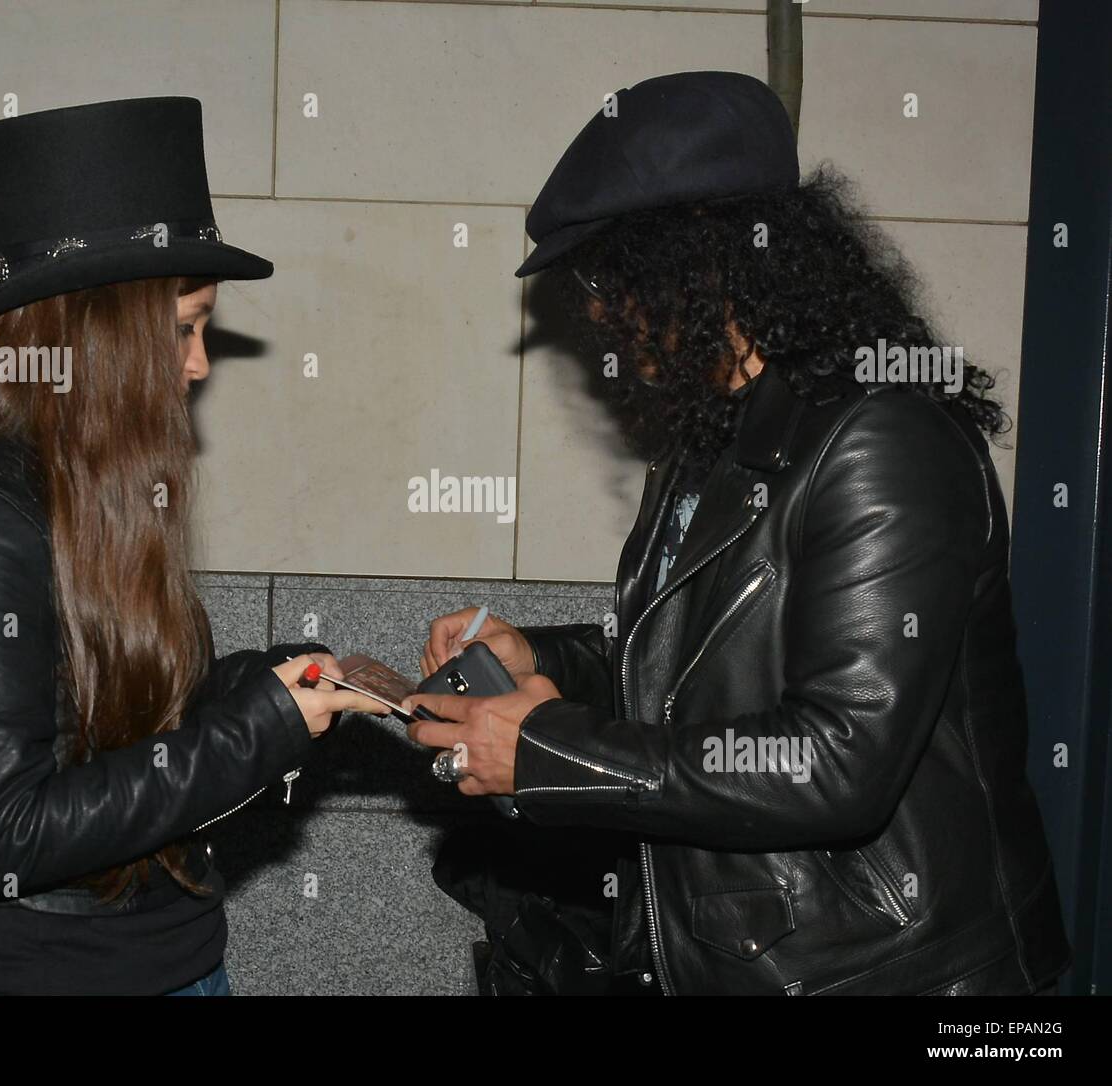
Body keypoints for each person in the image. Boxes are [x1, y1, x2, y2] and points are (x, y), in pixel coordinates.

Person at [407, 71, 1070, 996]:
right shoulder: (715, 434)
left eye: (610, 273)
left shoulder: (884, 441)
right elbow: (702, 665)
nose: (596, 308)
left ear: (701, 258)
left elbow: (837, 760)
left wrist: (550, 752)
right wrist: (542, 657)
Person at [0, 97, 388, 997]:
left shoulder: (96, 497)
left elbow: (132, 721)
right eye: (183, 328)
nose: (200, 364)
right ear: (104, 335)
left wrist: (279, 684)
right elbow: (8, 835)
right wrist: (259, 731)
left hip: (169, 968)